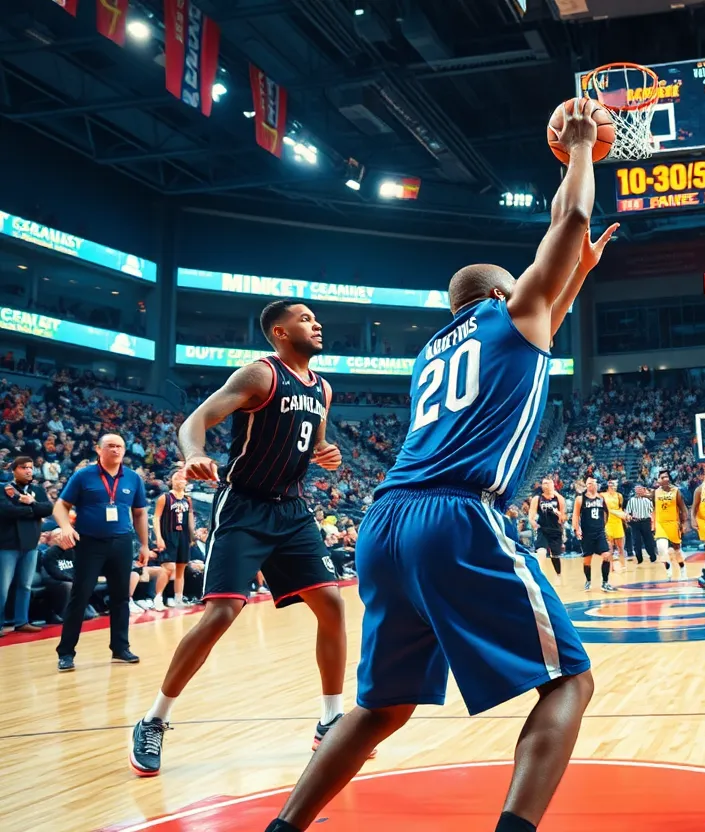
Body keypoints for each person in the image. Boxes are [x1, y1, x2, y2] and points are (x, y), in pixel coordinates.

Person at [263, 98, 610, 832]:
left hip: (385, 523)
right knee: (568, 681)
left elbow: (540, 325)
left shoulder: (432, 353)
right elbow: (568, 224)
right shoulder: (508, 313)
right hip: (455, 515)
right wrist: (580, 150)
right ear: (497, 294)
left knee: (379, 707)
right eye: (520, 284)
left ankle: (284, 826)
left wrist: (574, 275)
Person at [129, 299, 347, 778]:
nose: (318, 324)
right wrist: (193, 456)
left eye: (315, 318)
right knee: (223, 612)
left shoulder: (323, 389)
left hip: (291, 510)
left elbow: (310, 443)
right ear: (280, 332)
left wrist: (323, 454)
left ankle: (331, 719)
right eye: (306, 319)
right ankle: (152, 720)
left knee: (331, 604)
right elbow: (194, 422)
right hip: (244, 505)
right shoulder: (259, 374)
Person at [53, 434, 152, 671]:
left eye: (120, 446)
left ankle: (120, 648)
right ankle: (66, 652)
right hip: (90, 544)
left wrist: (145, 545)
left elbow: (139, 513)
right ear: (99, 449)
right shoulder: (83, 475)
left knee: (121, 598)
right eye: (110, 446)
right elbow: (61, 506)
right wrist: (66, 526)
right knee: (80, 596)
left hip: (121, 543)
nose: (116, 449)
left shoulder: (132, 478)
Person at [0, 456, 53, 635]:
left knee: (25, 585)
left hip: (31, 544)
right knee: (2, 587)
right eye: (23, 467)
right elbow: (7, 511)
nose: (28, 470)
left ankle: (21, 621)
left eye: (30, 467)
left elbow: (48, 509)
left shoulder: (37, 489)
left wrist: (32, 503)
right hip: (7, 544)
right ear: (13, 470)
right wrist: (33, 511)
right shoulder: (3, 488)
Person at [153, 469, 195, 608]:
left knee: (180, 569)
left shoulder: (187, 499)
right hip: (168, 534)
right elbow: (156, 517)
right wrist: (158, 537)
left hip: (183, 535)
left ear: (186, 482)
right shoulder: (164, 497)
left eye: (182, 478)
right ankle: (157, 598)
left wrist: (192, 535)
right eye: (176, 478)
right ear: (171, 481)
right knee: (168, 567)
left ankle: (178, 599)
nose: (180, 480)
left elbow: (190, 518)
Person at [574, 477, 616, 592]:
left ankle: (605, 582)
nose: (591, 485)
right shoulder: (580, 499)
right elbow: (576, 515)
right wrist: (576, 529)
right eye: (589, 483)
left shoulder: (601, 498)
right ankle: (588, 581)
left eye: (593, 483)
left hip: (599, 532)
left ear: (596, 485)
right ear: (586, 486)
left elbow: (606, 513)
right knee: (587, 560)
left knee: (607, 555)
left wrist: (603, 526)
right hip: (587, 534)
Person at [528, 477, 567, 583]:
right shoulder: (537, 498)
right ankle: (540, 577)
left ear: (553, 485)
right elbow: (531, 516)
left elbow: (564, 518)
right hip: (543, 529)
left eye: (548, 483)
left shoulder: (559, 498)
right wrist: (534, 524)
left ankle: (558, 575)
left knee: (555, 555)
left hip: (555, 530)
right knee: (541, 552)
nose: (545, 485)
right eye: (544, 483)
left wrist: (560, 515)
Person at [653, 470, 689, 581]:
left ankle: (683, 570)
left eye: (666, 477)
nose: (665, 479)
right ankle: (668, 568)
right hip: (661, 524)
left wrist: (684, 523)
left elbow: (683, 508)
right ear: (658, 479)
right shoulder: (655, 492)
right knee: (661, 548)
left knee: (677, 550)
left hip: (673, 523)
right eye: (662, 477)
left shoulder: (676, 491)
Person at [625, 484, 657, 565]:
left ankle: (653, 557)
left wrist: (653, 524)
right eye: (637, 489)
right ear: (635, 490)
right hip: (635, 522)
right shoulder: (631, 501)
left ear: (643, 490)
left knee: (649, 540)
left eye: (640, 489)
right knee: (636, 541)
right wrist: (628, 518)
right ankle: (639, 559)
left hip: (646, 521)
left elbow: (652, 512)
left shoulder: (648, 501)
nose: (639, 490)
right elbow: (628, 512)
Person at [603, 479, 628, 572]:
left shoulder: (619, 496)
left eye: (615, 484)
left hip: (618, 523)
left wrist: (625, 520)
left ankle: (623, 565)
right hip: (608, 523)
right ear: (608, 484)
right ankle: (611, 567)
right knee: (609, 548)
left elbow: (621, 509)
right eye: (612, 483)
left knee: (620, 547)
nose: (614, 486)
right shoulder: (603, 495)